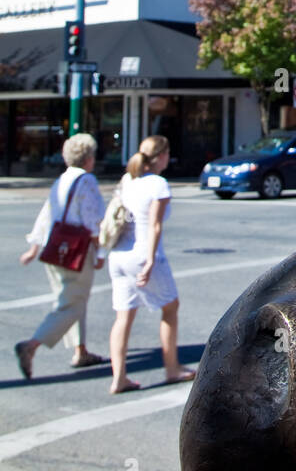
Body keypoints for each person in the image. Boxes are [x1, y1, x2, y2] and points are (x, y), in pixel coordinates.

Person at [107, 135, 196, 395]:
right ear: (161, 156)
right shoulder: (158, 184)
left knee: (124, 316)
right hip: (144, 256)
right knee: (170, 308)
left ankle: (119, 377)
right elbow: (155, 225)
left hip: (119, 255)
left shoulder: (128, 180)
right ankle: (172, 368)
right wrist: (149, 261)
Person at [15, 133, 108, 379]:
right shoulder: (87, 181)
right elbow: (93, 222)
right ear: (88, 157)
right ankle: (32, 345)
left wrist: (34, 247)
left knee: (69, 299)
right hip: (77, 251)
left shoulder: (61, 180)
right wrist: (100, 251)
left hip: (55, 248)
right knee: (73, 304)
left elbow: (46, 215)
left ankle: (80, 350)